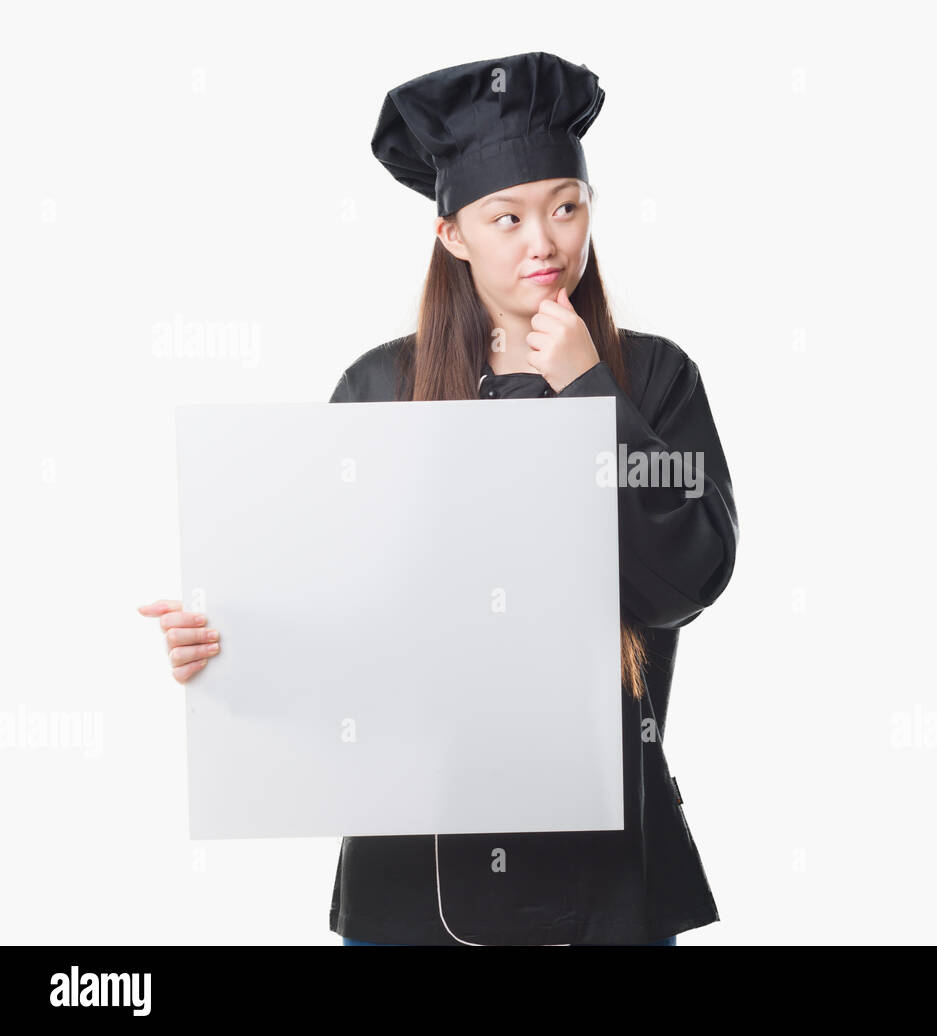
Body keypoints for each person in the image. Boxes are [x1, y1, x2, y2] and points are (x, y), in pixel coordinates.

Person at [139, 51, 738, 947]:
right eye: (508, 217)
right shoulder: (382, 386)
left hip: (608, 868)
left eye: (566, 208)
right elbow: (337, 620)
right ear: (453, 234)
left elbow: (686, 582)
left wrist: (590, 394)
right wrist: (225, 652)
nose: (545, 241)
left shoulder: (652, 376)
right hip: (409, 870)